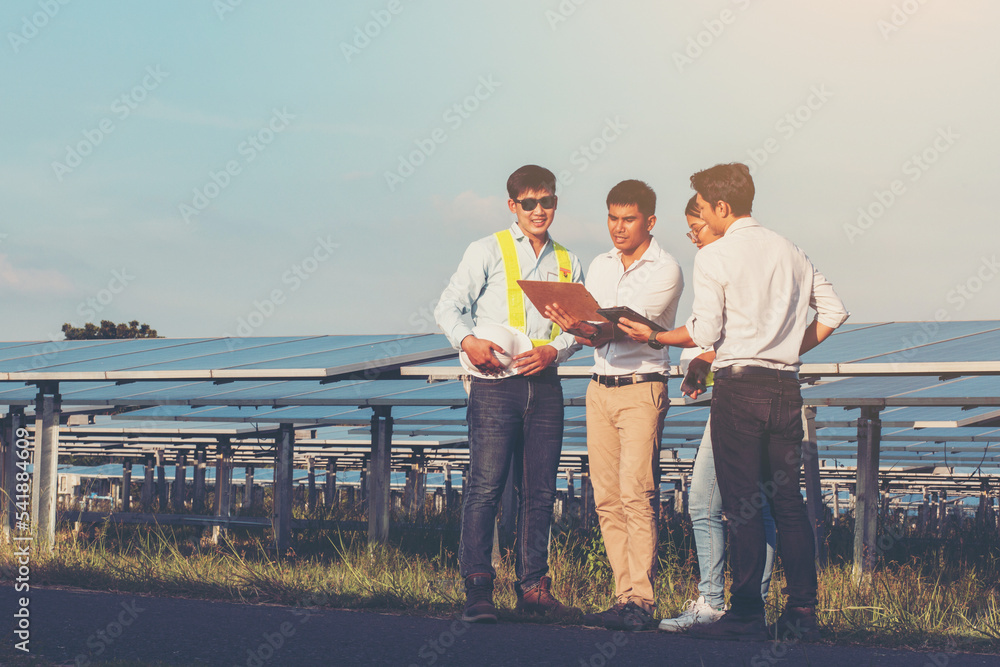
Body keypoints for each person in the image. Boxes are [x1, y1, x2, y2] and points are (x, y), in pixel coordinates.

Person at [619, 164, 849, 641]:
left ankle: (745, 612)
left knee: (740, 504)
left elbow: (704, 332)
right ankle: (803, 610)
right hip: (786, 386)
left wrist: (656, 334)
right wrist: (785, 349)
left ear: (722, 207)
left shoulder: (717, 256)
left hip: (739, 387)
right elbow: (834, 312)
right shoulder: (792, 250)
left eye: (700, 210)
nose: (699, 219)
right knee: (786, 501)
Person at [434, 164, 585, 624]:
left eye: (548, 202)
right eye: (529, 203)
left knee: (540, 491)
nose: (539, 211)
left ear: (556, 202)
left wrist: (554, 352)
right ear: (512, 205)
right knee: (486, 487)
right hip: (494, 386)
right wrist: (468, 341)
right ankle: (479, 588)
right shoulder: (487, 249)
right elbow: (447, 306)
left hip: (545, 385)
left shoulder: (568, 260)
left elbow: (578, 329)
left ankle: (534, 587)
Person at [545, 179, 682, 631]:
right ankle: (623, 596)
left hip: (642, 388)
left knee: (636, 493)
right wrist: (566, 326)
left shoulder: (667, 269)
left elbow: (624, 325)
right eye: (612, 218)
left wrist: (587, 328)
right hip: (598, 388)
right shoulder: (600, 266)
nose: (618, 228)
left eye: (628, 219)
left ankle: (641, 601)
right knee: (606, 498)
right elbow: (589, 327)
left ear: (650, 221)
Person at [658, 196, 777, 632]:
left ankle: (714, 604)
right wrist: (703, 359)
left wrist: (656, 335)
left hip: (739, 398)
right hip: (770, 393)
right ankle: (751, 609)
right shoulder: (767, 258)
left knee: (707, 502)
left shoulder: (718, 261)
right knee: (756, 505)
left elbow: (713, 332)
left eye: (697, 226)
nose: (694, 236)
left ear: (718, 218)